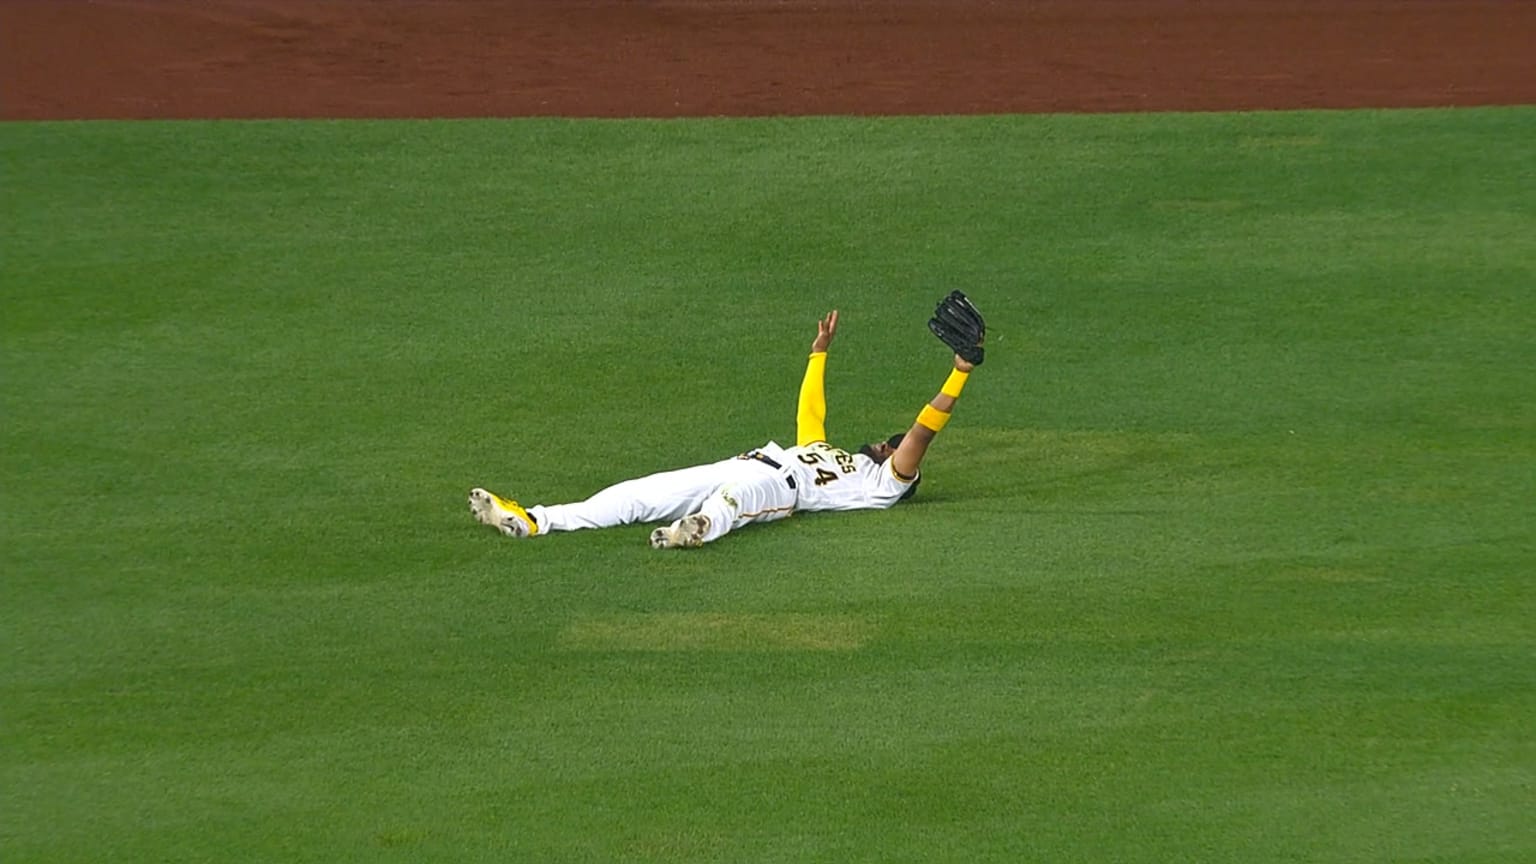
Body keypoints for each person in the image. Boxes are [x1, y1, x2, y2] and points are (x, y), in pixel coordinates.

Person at [468, 309, 978, 548]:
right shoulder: (831, 455)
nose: (885, 441)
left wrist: (959, 372)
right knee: (635, 495)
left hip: (780, 487)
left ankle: (696, 532)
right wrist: (818, 355)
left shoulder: (881, 484)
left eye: (890, 446)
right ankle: (533, 520)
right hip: (741, 463)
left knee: (736, 500)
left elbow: (920, 435)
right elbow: (811, 417)